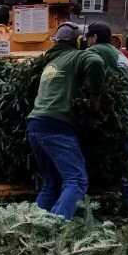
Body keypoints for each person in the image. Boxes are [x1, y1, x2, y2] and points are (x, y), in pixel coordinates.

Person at [26, 21, 106, 220]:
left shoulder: (51, 62)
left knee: (51, 182)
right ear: (79, 42)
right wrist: (95, 97)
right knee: (77, 180)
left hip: (35, 126)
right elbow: (96, 63)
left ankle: (31, 225)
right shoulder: (78, 56)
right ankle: (55, 226)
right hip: (56, 127)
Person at [84, 20, 128, 209]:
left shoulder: (96, 51)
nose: (86, 43)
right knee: (122, 161)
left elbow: (79, 63)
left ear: (95, 38)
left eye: (87, 38)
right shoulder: (117, 53)